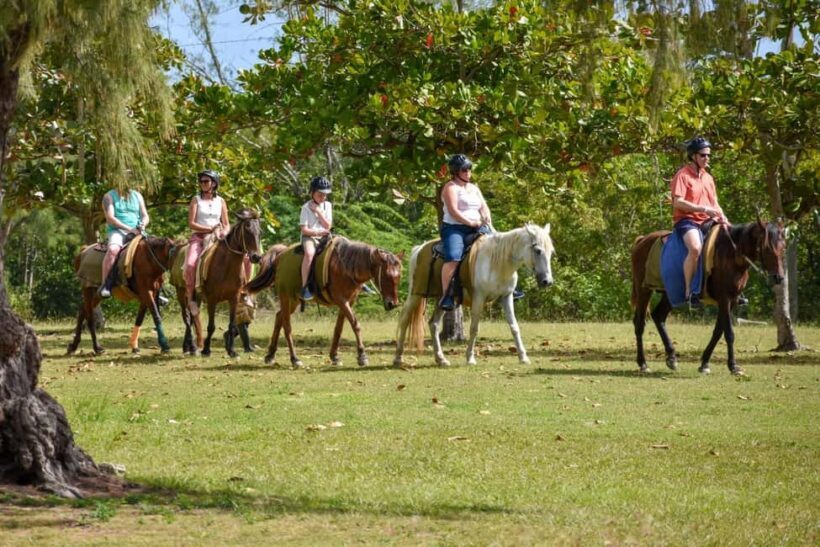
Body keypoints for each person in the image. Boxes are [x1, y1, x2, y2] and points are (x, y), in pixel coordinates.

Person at [670, 137, 729, 309]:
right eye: (703, 155)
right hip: (686, 221)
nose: (707, 158)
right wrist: (703, 209)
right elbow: (678, 202)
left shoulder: (708, 178)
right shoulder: (682, 175)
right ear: (693, 156)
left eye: (708, 155)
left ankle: (731, 291)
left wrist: (723, 217)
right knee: (695, 248)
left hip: (708, 220)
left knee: (731, 242)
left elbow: (715, 202)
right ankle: (690, 291)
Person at [438, 154, 495, 311]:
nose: (468, 172)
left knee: (499, 247)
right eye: (465, 170)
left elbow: (483, 206)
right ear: (456, 172)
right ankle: (447, 296)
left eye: (470, 169)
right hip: (455, 228)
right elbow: (454, 211)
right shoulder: (450, 187)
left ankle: (509, 287)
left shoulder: (474, 188)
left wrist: (487, 218)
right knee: (454, 257)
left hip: (477, 227)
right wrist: (471, 222)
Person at [184, 169, 229, 316]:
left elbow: (226, 223)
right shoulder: (196, 200)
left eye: (206, 181)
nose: (202, 184)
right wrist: (210, 228)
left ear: (214, 183)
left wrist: (223, 232)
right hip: (199, 237)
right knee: (190, 264)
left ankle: (243, 291)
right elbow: (191, 223)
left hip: (218, 237)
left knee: (243, 258)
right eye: (201, 181)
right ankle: (191, 298)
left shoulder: (221, 201)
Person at [99, 187, 150, 298]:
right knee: (113, 250)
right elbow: (110, 218)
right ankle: (106, 285)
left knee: (153, 251)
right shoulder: (109, 196)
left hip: (137, 231)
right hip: (118, 231)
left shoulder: (137, 195)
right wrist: (128, 229)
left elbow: (145, 215)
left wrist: (143, 224)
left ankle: (157, 288)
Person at [299, 176, 333, 301]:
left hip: (325, 235)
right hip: (309, 237)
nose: (323, 197)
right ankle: (304, 286)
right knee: (309, 253)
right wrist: (318, 233)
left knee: (344, 246)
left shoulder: (327, 205)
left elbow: (328, 225)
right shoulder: (305, 207)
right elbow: (304, 229)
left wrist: (318, 211)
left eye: (325, 195)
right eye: (320, 194)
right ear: (312, 193)